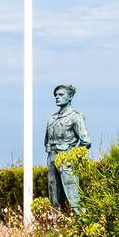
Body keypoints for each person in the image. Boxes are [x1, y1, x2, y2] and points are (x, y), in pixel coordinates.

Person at [44, 84, 89, 212]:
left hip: (67, 160)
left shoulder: (76, 116)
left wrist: (71, 156)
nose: (57, 97)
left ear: (70, 97)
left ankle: (82, 224)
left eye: (61, 95)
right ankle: (56, 226)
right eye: (56, 95)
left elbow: (86, 141)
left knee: (73, 195)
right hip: (52, 158)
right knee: (54, 196)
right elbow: (47, 141)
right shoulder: (52, 118)